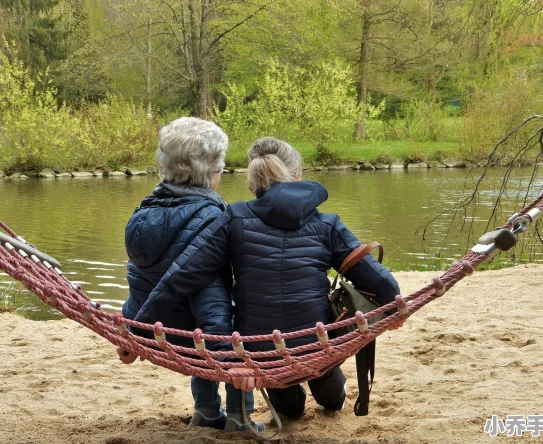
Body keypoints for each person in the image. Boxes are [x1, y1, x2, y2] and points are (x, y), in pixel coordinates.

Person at [136, 137, 400, 419]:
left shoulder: (232, 218)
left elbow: (184, 275)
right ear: (298, 175)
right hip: (317, 343)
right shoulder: (327, 224)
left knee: (289, 410)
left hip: (261, 353)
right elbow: (380, 282)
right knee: (328, 388)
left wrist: (138, 329)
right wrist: (395, 307)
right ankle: (328, 389)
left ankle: (295, 392)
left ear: (252, 184)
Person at [116, 117, 263, 433]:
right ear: (212, 172)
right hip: (196, 336)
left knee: (201, 318)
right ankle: (239, 417)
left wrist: (132, 330)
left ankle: (206, 410)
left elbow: (141, 280)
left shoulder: (142, 214)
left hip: (154, 330)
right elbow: (213, 306)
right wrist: (231, 363)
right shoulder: (214, 219)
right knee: (244, 317)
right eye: (220, 166)